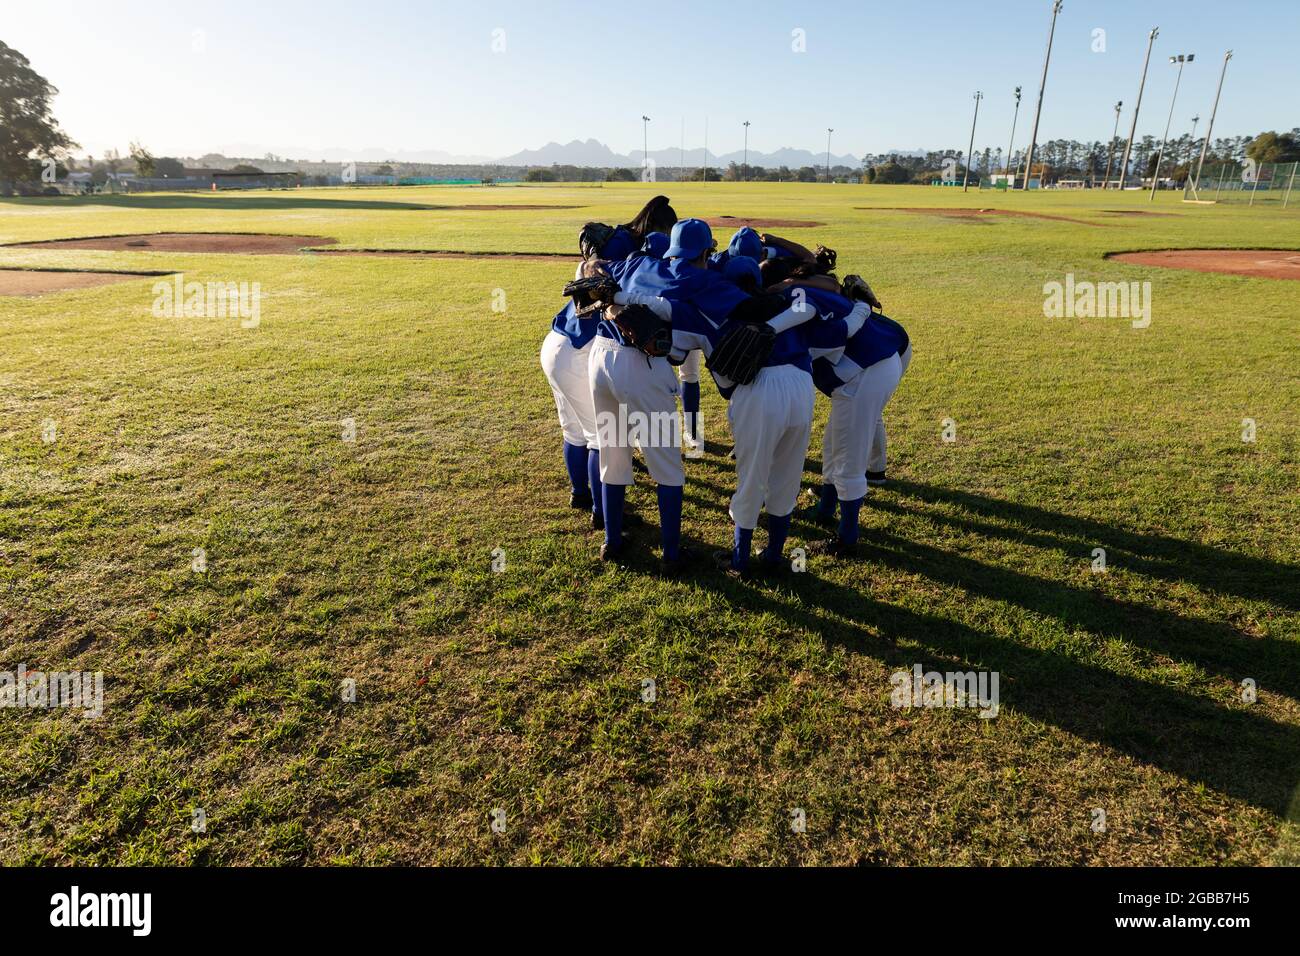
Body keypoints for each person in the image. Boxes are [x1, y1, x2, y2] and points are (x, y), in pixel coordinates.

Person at [790, 284, 909, 557]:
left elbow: (842, 331)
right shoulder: (801, 295)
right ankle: (826, 509)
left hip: (868, 370)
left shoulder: (793, 308)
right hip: (874, 361)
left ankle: (847, 538)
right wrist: (862, 305)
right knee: (833, 446)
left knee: (848, 459)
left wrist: (863, 307)